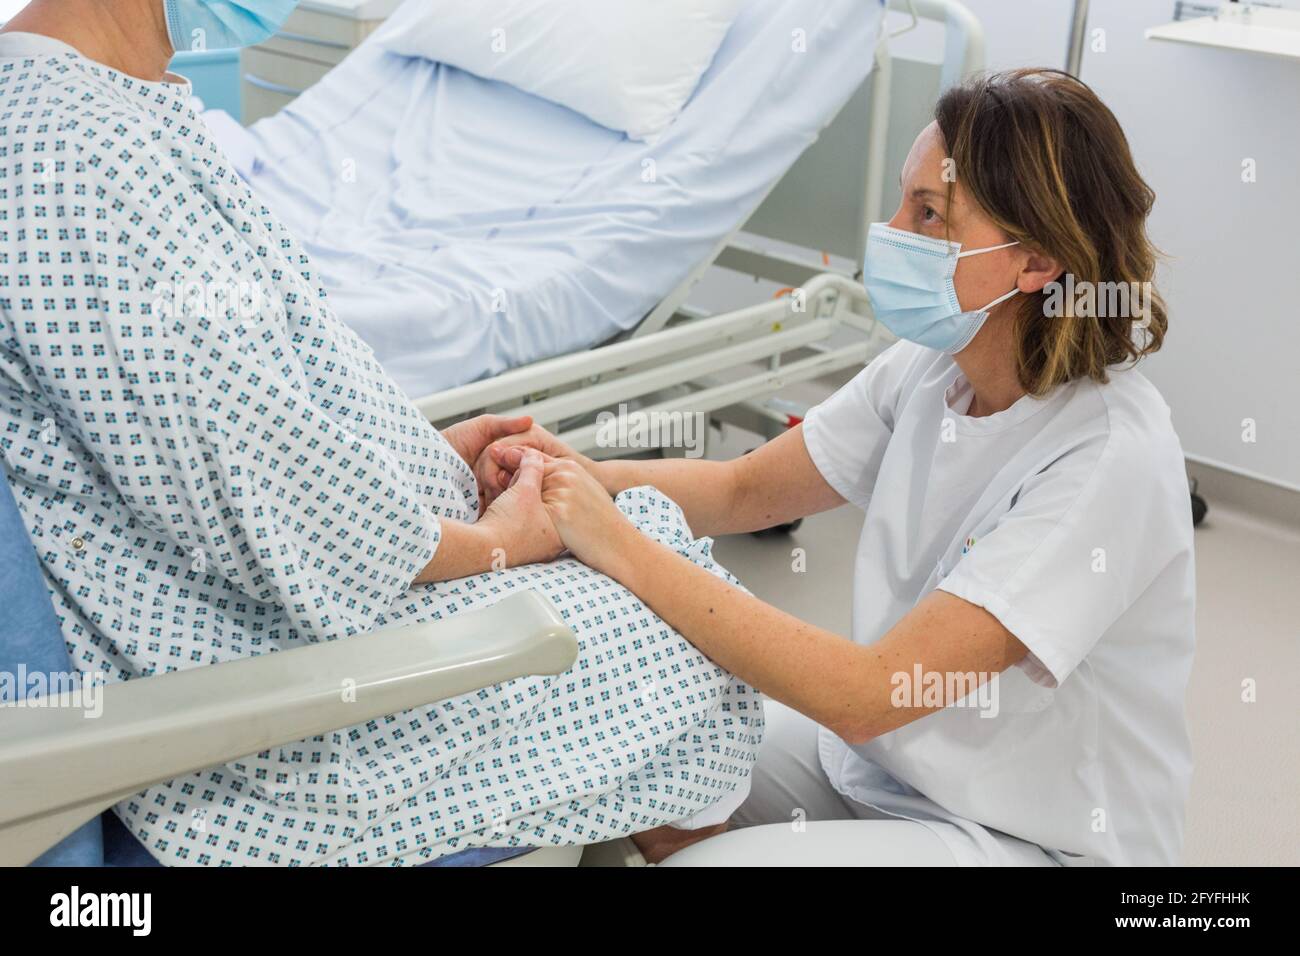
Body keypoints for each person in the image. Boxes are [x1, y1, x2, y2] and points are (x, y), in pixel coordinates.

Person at [0, 0, 761, 865]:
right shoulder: (85, 164)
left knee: (648, 561)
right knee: (674, 624)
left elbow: (228, 423)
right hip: (236, 714)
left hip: (247, 601)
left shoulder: (93, 106)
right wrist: (493, 544)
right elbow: (271, 511)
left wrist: (425, 460)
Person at [489, 69, 1197, 866]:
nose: (888, 230)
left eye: (928, 213)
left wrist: (616, 541)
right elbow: (743, 488)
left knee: (702, 860)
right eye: (903, 200)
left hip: (1027, 835)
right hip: (891, 767)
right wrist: (569, 471)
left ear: (1032, 261)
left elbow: (870, 695)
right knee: (632, 750)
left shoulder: (1105, 459)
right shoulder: (935, 367)